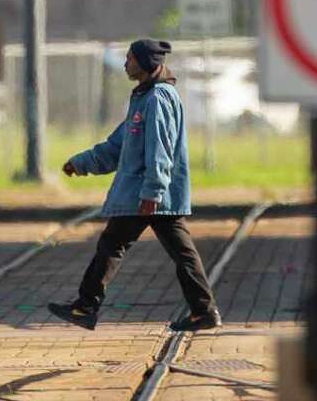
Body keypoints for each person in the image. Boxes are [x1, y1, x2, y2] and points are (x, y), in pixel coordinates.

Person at [47, 38, 221, 332]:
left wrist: (153, 192)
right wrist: (81, 163)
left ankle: (85, 306)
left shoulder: (158, 99)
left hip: (149, 195)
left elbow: (160, 149)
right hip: (144, 195)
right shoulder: (143, 98)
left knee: (114, 246)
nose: (126, 64)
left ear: (145, 63)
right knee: (172, 252)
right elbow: (119, 146)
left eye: (130, 59)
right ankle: (202, 311)